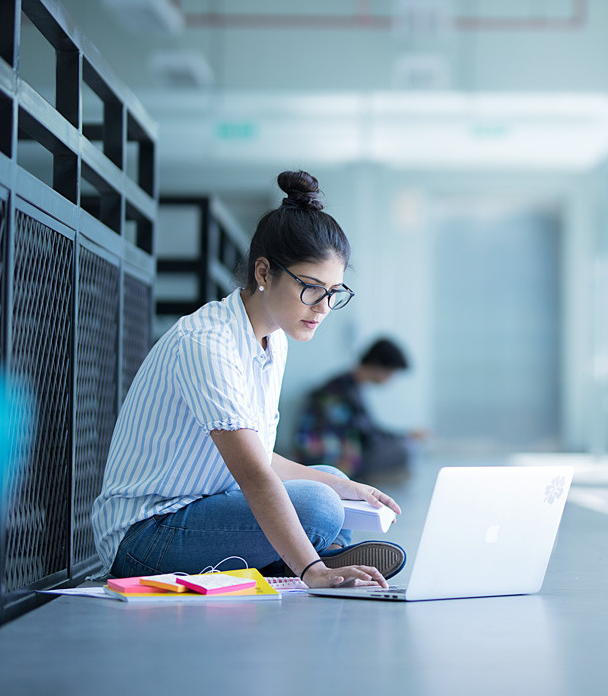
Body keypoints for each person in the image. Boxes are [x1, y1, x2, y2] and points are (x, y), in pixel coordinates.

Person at [91, 171, 404, 589]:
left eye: (333, 292)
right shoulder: (208, 342)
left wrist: (351, 488)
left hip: (205, 507)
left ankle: (303, 552)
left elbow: (261, 456)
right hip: (145, 536)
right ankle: (310, 559)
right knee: (320, 507)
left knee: (336, 482)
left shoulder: (273, 339)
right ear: (263, 271)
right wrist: (313, 574)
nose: (324, 307)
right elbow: (255, 472)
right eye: (311, 289)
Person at [293, 338, 426, 485]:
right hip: (330, 458)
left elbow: (367, 430)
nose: (390, 379)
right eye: (390, 372)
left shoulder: (344, 384)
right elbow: (368, 435)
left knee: (403, 455)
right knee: (404, 451)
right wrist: (405, 437)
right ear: (377, 365)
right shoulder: (346, 391)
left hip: (327, 453)